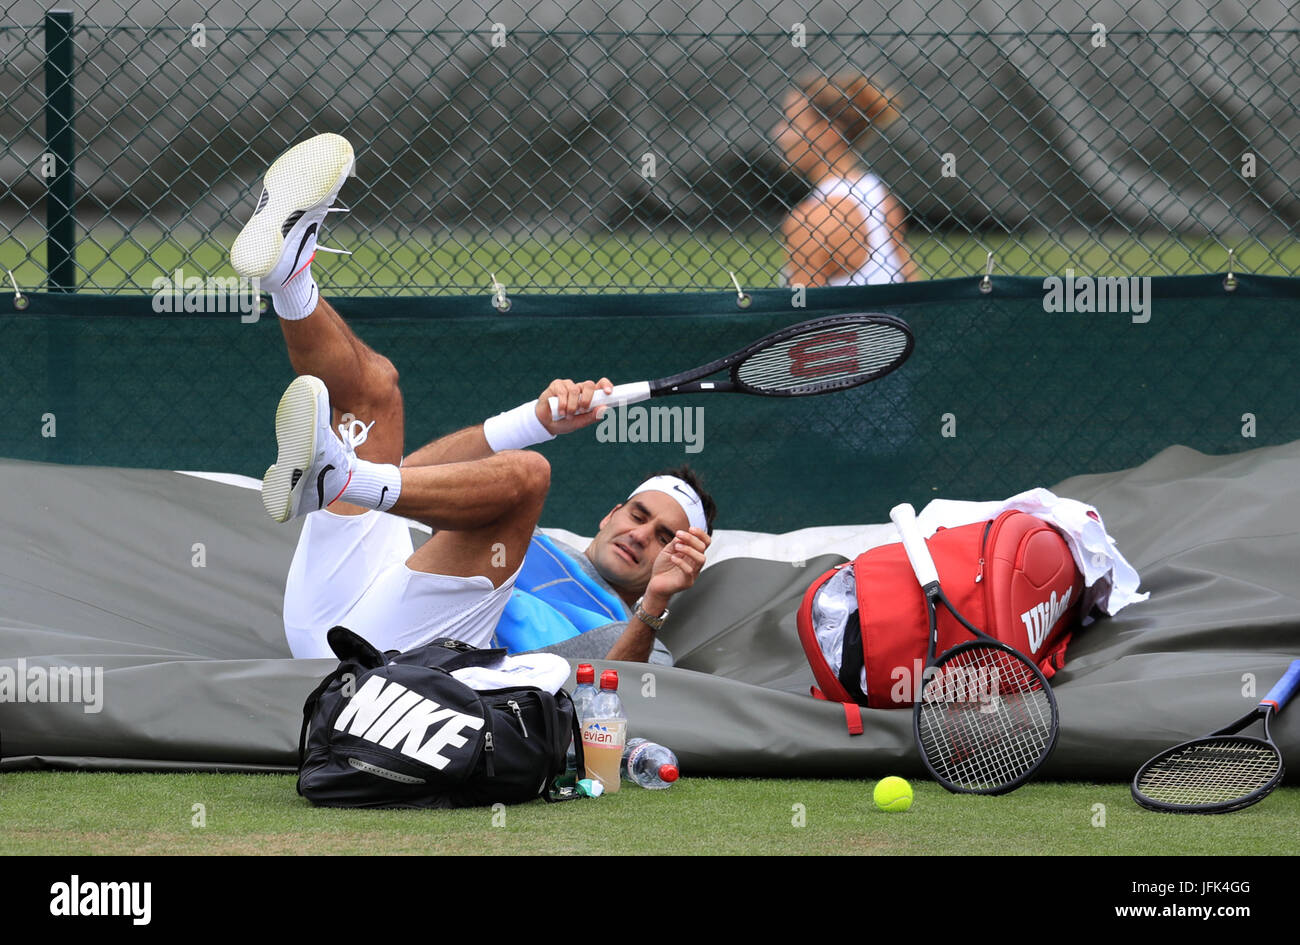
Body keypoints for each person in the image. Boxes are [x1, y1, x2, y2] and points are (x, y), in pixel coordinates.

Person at [230, 133, 714, 664]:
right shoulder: (532, 541)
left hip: (394, 659)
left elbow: (612, 697)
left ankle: (336, 476)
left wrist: (656, 604)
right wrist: (536, 421)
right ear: (610, 513)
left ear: (684, 559)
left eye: (665, 536)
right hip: (342, 604)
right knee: (377, 392)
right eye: (639, 514)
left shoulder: (638, 632)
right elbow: (409, 475)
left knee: (528, 475)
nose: (641, 535)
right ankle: (289, 277)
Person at [773, 73, 917, 286]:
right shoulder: (878, 195)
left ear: (828, 132)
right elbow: (909, 279)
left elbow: (804, 313)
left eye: (791, 123)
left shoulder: (808, 221)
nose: (778, 134)